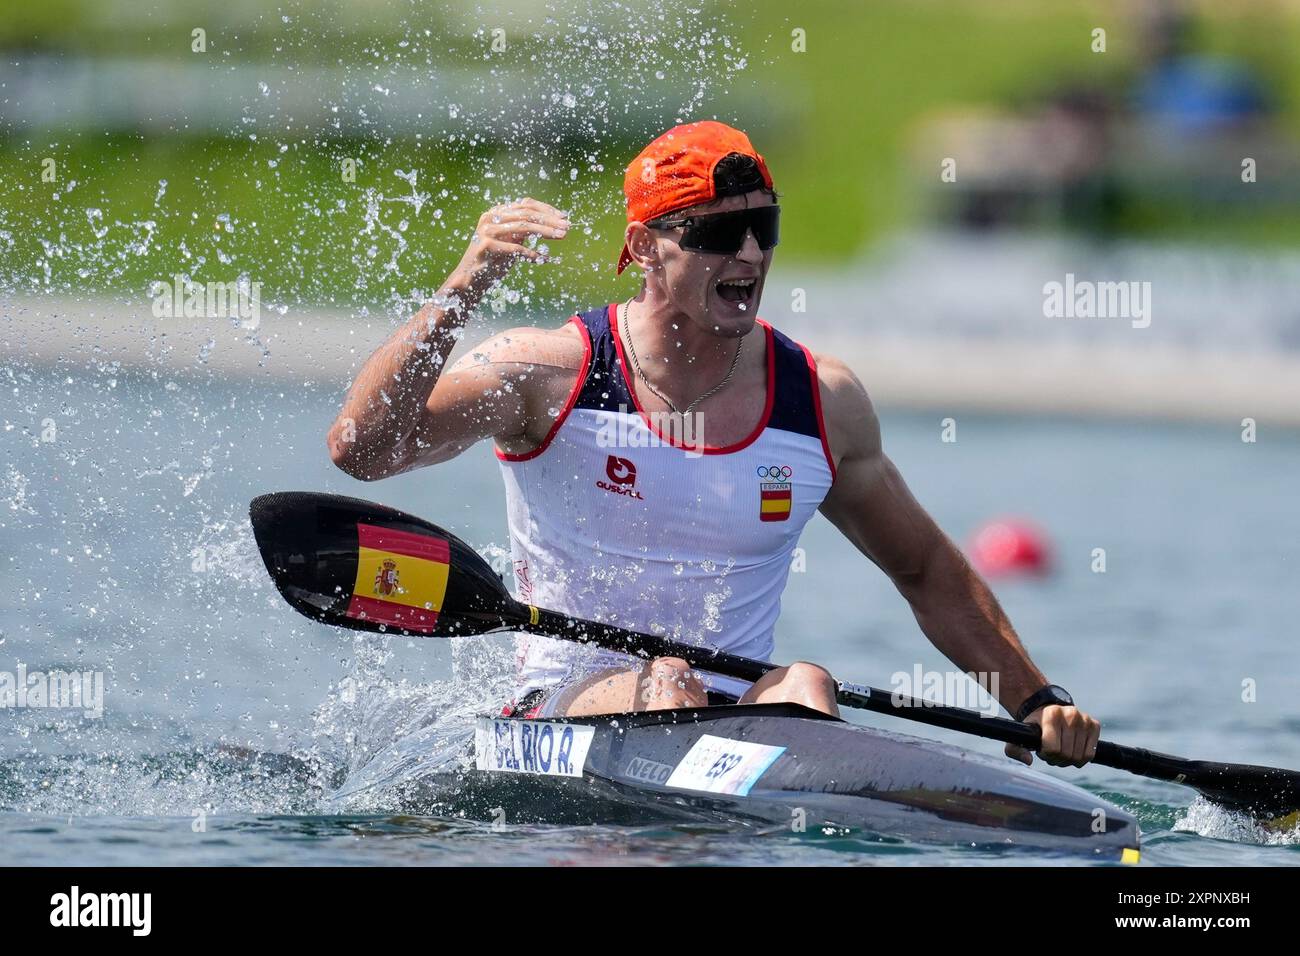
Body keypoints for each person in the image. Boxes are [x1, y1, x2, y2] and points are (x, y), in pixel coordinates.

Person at [327, 120, 1099, 767]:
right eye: (719, 233)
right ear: (645, 245)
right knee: (668, 680)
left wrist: (1034, 699)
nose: (752, 255)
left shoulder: (820, 402)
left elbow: (925, 569)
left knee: (803, 682)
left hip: (737, 712)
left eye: (764, 228)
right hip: (555, 712)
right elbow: (362, 449)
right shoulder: (550, 375)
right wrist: (463, 289)